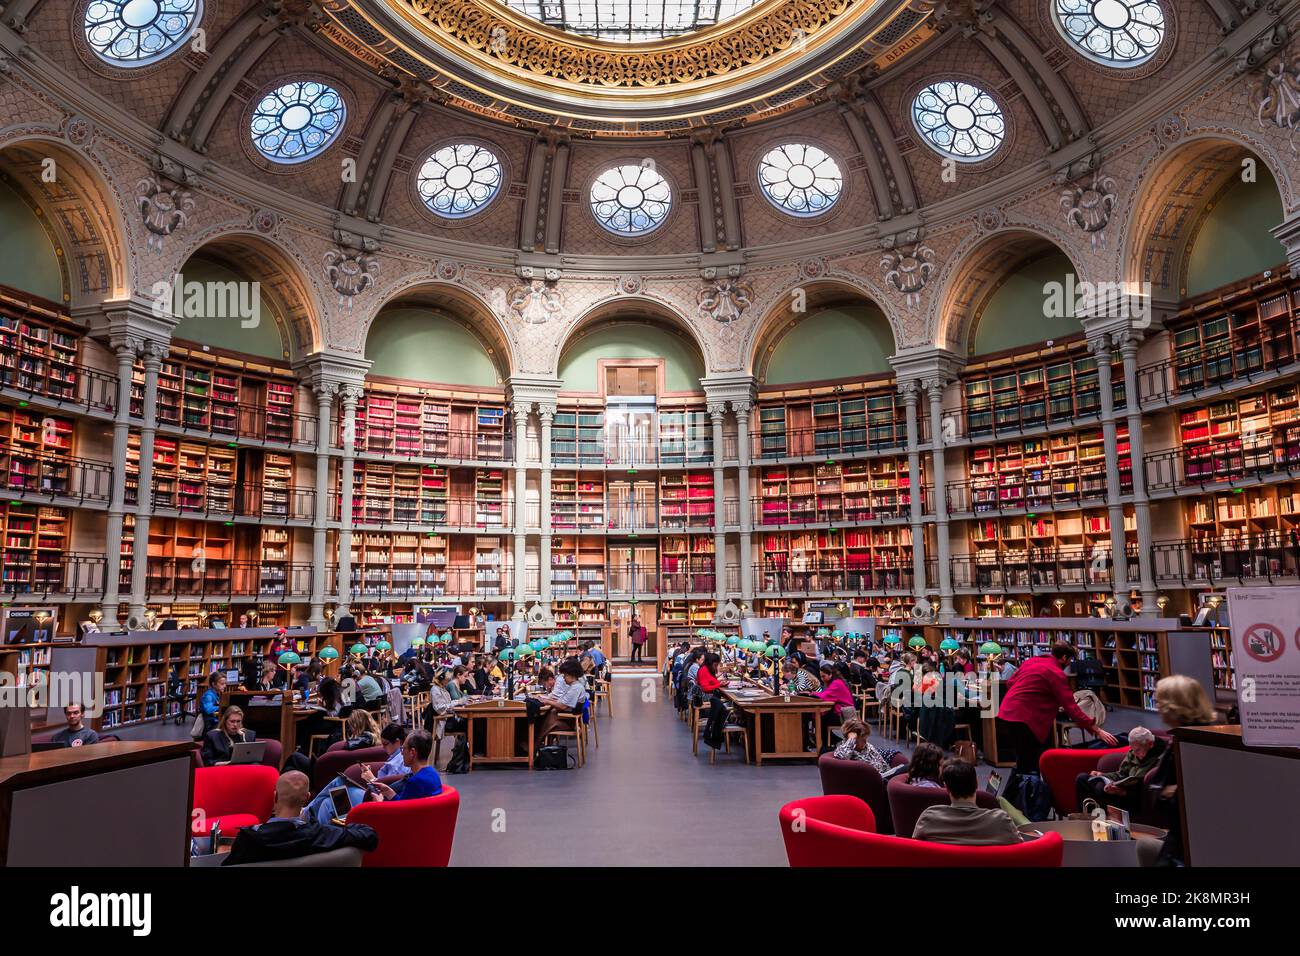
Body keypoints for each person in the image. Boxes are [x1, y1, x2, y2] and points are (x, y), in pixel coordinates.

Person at [996, 642, 1117, 775]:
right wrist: (1096, 729)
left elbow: (1010, 682)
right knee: (1030, 760)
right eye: (1070, 660)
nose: (1069, 664)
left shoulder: (1032, 661)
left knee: (1023, 757)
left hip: (1007, 711)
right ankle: (1026, 791)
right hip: (1024, 718)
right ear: (1064, 658)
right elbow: (1071, 707)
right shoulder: (1056, 673)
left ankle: (1020, 790)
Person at [222, 770, 378, 866]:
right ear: (307, 798)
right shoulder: (322, 835)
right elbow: (369, 835)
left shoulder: (248, 839)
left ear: (275, 797)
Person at [1143, 675, 1218, 866]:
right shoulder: (1186, 737)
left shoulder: (1193, 743)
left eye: (1160, 701)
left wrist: (1173, 791)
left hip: (1189, 841)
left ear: (1174, 706)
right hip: (1183, 837)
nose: (1157, 706)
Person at [913, 759, 1024, 846]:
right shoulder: (1001, 821)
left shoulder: (928, 819)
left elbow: (915, 853)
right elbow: (1021, 850)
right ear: (977, 782)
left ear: (946, 787)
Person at [1076, 725, 1164, 815]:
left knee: (1100, 788)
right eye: (1132, 750)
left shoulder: (1159, 759)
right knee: (1082, 778)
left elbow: (1145, 792)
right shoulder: (1135, 752)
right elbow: (1121, 774)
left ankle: (1098, 821)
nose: (1135, 754)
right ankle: (1087, 819)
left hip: (1132, 798)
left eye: (1137, 750)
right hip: (1120, 786)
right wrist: (1102, 775)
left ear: (1150, 744)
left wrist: (1122, 792)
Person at [370, 731, 443, 801]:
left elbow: (402, 810)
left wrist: (379, 802)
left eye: (403, 749)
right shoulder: (433, 773)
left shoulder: (415, 782)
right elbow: (405, 802)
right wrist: (390, 793)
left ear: (412, 752)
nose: (401, 753)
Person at [534, 657, 588, 741]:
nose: (563, 678)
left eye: (565, 675)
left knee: (539, 722)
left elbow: (562, 706)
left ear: (572, 674)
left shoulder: (575, 688)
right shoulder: (573, 686)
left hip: (566, 722)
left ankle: (533, 746)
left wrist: (547, 701)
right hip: (564, 718)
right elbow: (562, 701)